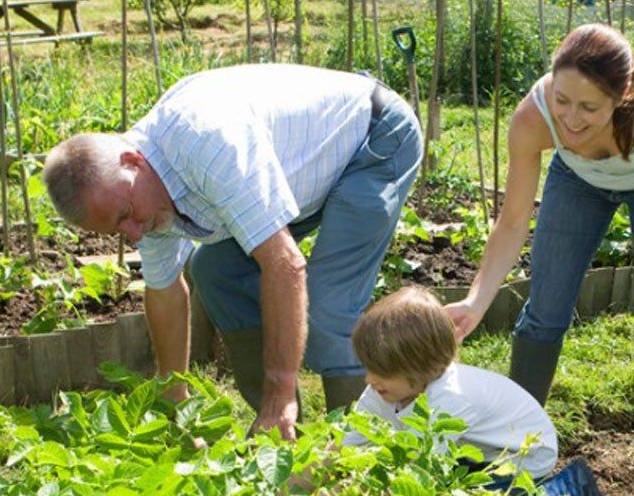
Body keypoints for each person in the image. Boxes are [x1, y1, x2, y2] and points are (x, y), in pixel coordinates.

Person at [43, 64, 422, 439]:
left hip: (371, 141)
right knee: (216, 271)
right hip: (305, 174)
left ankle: (361, 446)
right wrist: (173, 399)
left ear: (133, 161)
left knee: (329, 304)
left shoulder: (206, 143)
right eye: (117, 230)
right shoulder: (138, 197)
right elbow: (165, 291)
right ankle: (281, 438)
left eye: (127, 214)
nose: (134, 232)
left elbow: (284, 264)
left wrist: (281, 393)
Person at [445, 23, 634, 461]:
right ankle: (516, 448)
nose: (570, 118)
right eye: (562, 99)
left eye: (589, 107)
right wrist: (476, 300)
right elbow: (513, 221)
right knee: (545, 309)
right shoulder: (533, 117)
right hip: (577, 182)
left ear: (623, 96)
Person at [343, 286, 606, 496]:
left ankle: (568, 489)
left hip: (523, 456)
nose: (369, 379)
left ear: (419, 369)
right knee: (450, 488)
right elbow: (346, 443)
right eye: (368, 368)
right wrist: (318, 481)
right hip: (475, 449)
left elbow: (415, 475)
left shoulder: (450, 401)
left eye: (382, 373)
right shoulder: (383, 389)